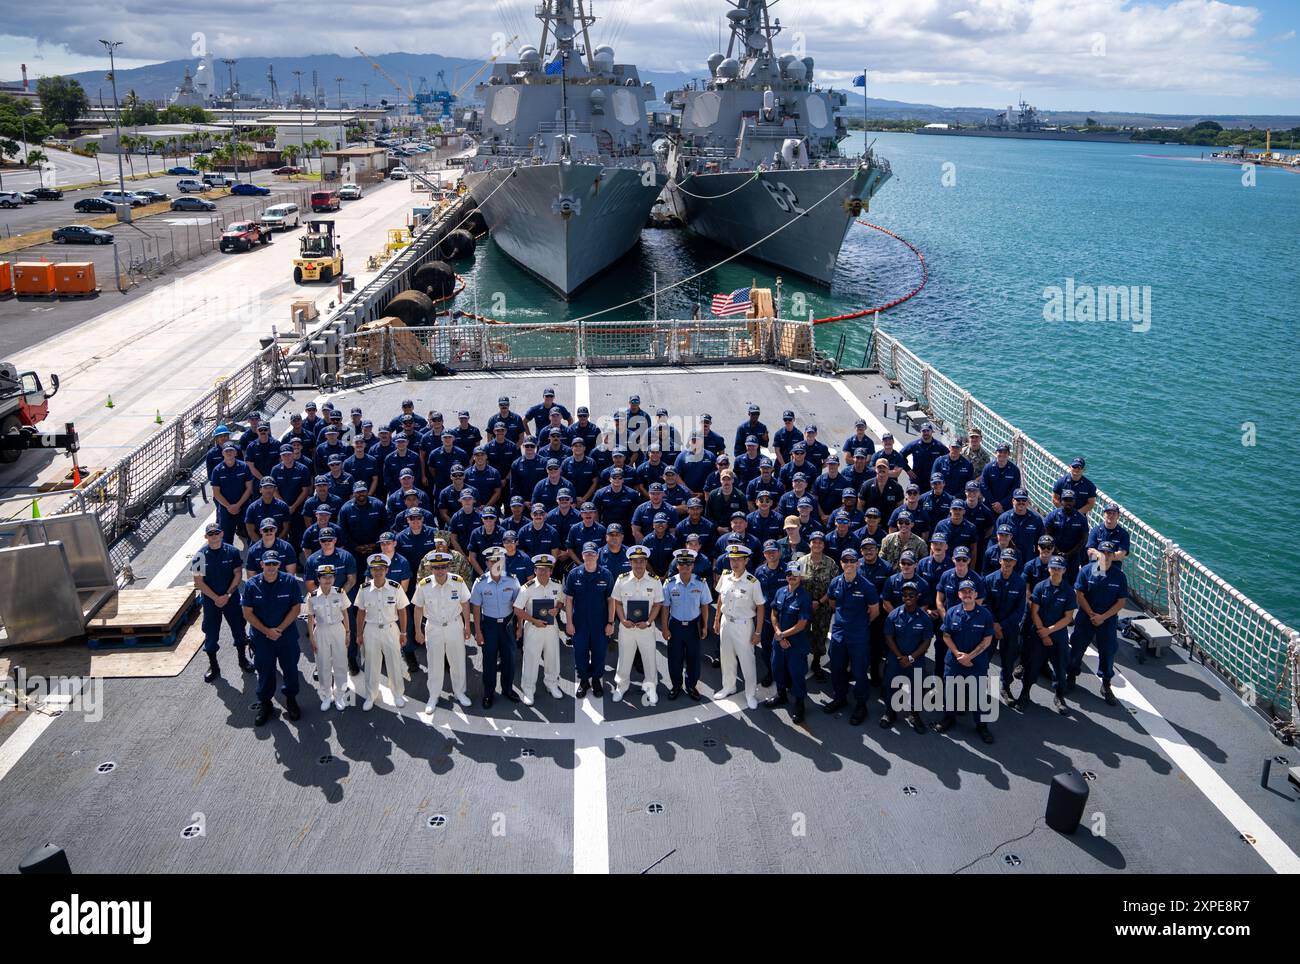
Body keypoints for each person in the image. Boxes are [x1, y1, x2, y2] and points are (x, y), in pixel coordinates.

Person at [241, 551, 305, 726]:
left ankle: (291, 700)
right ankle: (266, 703)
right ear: (261, 565)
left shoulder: (290, 582)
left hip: (286, 637)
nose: (271, 567)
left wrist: (279, 629)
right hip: (262, 639)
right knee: (265, 671)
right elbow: (247, 613)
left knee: (290, 669)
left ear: (279, 565)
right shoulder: (252, 585)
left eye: (274, 564)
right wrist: (267, 631)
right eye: (267, 564)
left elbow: (296, 608)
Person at [822, 548, 880, 725]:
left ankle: (861, 704)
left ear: (858, 563)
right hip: (839, 633)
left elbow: (875, 611)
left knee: (859, 670)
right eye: (845, 561)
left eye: (852, 561)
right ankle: (840, 697)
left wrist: (860, 624)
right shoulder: (835, 583)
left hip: (858, 635)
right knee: (837, 667)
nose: (848, 564)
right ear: (841, 563)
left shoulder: (867, 586)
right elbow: (833, 603)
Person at [933, 579, 995, 743]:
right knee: (950, 692)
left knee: (978, 694)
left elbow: (988, 639)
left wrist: (970, 657)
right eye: (964, 591)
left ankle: (981, 725)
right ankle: (949, 717)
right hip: (954, 661)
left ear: (976, 594)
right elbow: (946, 635)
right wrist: (958, 654)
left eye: (970, 591)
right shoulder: (952, 612)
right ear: (959, 594)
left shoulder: (985, 614)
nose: (967, 594)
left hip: (976, 663)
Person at [1067, 541, 1129, 705]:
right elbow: (1079, 594)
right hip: (1086, 618)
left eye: (1110, 554)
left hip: (1107, 621)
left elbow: (1121, 601)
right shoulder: (1088, 571)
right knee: (1077, 647)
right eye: (1103, 553)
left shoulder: (1119, 576)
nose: (1106, 556)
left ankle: (1106, 684)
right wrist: (1091, 614)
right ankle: (1072, 675)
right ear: (1098, 554)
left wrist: (1103, 617)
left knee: (1107, 652)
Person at [412, 551, 473, 712]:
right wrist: (418, 631)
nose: (440, 571)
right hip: (434, 627)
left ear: (448, 567)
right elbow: (418, 608)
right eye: (436, 567)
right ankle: (434, 695)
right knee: (434, 663)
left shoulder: (457, 582)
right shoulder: (423, 585)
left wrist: (467, 625)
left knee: (458, 661)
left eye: (443, 567)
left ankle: (460, 692)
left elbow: (465, 604)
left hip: (454, 625)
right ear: (431, 568)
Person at [191, 522, 251, 682]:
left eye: (216, 533)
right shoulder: (199, 556)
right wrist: (216, 598)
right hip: (211, 601)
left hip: (230, 598)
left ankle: (242, 659)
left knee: (239, 628)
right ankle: (213, 665)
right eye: (211, 534)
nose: (214, 536)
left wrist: (227, 594)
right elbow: (198, 582)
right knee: (211, 633)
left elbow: (238, 574)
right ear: (206, 537)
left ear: (222, 534)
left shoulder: (232, 552)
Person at [1017, 555, 1075, 714]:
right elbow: (1034, 612)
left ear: (1064, 570)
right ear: (1049, 569)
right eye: (1053, 568)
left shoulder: (1069, 592)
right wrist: (1043, 633)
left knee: (1060, 667)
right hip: (1039, 633)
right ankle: (1025, 693)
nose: (1055, 571)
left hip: (1057, 635)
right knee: (1031, 665)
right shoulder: (1040, 587)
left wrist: (1048, 632)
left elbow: (1068, 618)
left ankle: (1059, 695)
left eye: (1059, 568)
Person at [713, 543, 765, 709]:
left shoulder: (752, 582)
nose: (734, 563)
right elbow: (720, 597)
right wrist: (716, 619)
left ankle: (750, 694)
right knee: (726, 657)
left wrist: (758, 631)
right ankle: (729, 686)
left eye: (738, 560)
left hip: (743, 625)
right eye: (732, 560)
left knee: (747, 660)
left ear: (746, 561)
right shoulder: (726, 576)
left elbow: (760, 606)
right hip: (726, 622)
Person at [355, 555, 411, 711]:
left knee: (394, 662)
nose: (377, 572)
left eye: (381, 568)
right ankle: (371, 695)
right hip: (371, 629)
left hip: (390, 628)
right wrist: (359, 634)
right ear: (370, 571)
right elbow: (360, 612)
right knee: (371, 664)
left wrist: (404, 633)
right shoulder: (364, 589)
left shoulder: (395, 587)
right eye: (374, 569)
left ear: (387, 570)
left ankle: (398, 694)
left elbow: (402, 611)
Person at [610, 545, 663, 705]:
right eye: (635, 561)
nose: (639, 565)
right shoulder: (622, 579)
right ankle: (621, 686)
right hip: (627, 628)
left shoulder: (654, 581)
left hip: (646, 628)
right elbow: (617, 602)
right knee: (625, 658)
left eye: (642, 561)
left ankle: (650, 687)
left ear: (646, 562)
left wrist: (648, 622)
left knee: (649, 659)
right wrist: (622, 620)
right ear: (630, 562)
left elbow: (657, 604)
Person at [471, 547, 522, 707]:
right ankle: (489, 693)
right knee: (489, 660)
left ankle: (507, 689)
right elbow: (476, 608)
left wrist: (519, 627)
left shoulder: (512, 580)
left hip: (507, 625)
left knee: (509, 659)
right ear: (486, 562)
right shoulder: (480, 583)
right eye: (492, 560)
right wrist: (478, 631)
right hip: (490, 625)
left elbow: (519, 606)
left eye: (499, 560)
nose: (496, 563)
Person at [564, 542, 615, 698]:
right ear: (582, 555)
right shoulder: (574, 574)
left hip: (600, 623)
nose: (590, 556)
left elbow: (611, 601)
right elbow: (569, 601)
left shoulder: (606, 574)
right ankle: (584, 681)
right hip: (580, 623)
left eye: (593, 553)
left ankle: (597, 680)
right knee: (581, 653)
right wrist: (569, 623)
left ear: (597, 555)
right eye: (587, 553)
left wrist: (610, 622)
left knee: (599, 653)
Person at [660, 549, 712, 700]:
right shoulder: (669, 584)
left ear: (693, 565)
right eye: (682, 563)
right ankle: (676, 685)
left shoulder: (700, 583)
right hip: (675, 625)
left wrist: (704, 626)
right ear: (677, 565)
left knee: (693, 657)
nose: (685, 567)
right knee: (674, 657)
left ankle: (691, 686)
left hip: (693, 626)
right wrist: (664, 627)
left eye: (688, 563)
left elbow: (704, 606)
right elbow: (665, 608)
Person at [881, 581, 932, 732]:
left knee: (917, 687)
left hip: (915, 660)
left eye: (911, 594)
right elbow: (889, 637)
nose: (908, 597)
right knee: (890, 686)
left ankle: (914, 714)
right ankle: (890, 712)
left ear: (917, 597)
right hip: (895, 658)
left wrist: (910, 658)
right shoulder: (894, 615)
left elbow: (926, 641)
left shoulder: (924, 618)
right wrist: (900, 657)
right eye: (905, 595)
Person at [765, 565, 812, 724]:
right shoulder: (780, 592)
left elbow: (802, 624)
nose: (791, 577)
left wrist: (782, 635)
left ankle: (799, 704)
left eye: (795, 574)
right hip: (779, 641)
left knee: (796, 673)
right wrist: (778, 634)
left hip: (796, 644)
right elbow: (773, 614)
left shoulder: (804, 597)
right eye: (789, 574)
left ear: (801, 577)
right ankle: (781, 694)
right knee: (777, 667)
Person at [984, 549, 1028, 704]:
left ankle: (1006, 687)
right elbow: (985, 604)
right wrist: (994, 625)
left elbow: (1020, 610)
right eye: (1005, 560)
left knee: (1008, 660)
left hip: (1009, 627)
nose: (1008, 563)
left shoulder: (1020, 583)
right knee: (983, 659)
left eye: (1011, 560)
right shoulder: (988, 580)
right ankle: (980, 689)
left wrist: (1001, 626)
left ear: (1015, 563)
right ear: (1000, 561)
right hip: (990, 626)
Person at [306, 563, 351, 711]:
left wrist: (348, 632)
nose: (327, 580)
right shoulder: (312, 596)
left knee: (341, 663)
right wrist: (312, 637)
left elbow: (345, 613)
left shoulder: (340, 592)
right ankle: (326, 695)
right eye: (324, 577)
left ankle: (340, 695)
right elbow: (310, 617)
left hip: (338, 629)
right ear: (318, 578)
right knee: (323, 664)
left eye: (330, 576)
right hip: (321, 630)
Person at [795, 532, 837, 681]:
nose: (817, 545)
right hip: (804, 606)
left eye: (820, 542)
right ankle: (801, 662)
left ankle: (816, 663)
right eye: (814, 542)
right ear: (809, 544)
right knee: (802, 634)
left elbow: (833, 588)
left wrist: (819, 602)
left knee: (820, 635)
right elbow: (795, 584)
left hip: (823, 606)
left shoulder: (831, 563)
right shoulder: (800, 562)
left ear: (824, 545)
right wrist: (806, 603)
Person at [210, 444, 254, 545]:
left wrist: (238, 505)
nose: (229, 453)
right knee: (226, 538)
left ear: (235, 453)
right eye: (226, 451)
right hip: (226, 509)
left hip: (244, 506)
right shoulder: (217, 470)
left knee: (251, 534)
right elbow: (216, 493)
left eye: (231, 450)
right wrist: (229, 507)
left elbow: (249, 488)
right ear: (222, 453)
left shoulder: (244, 467)